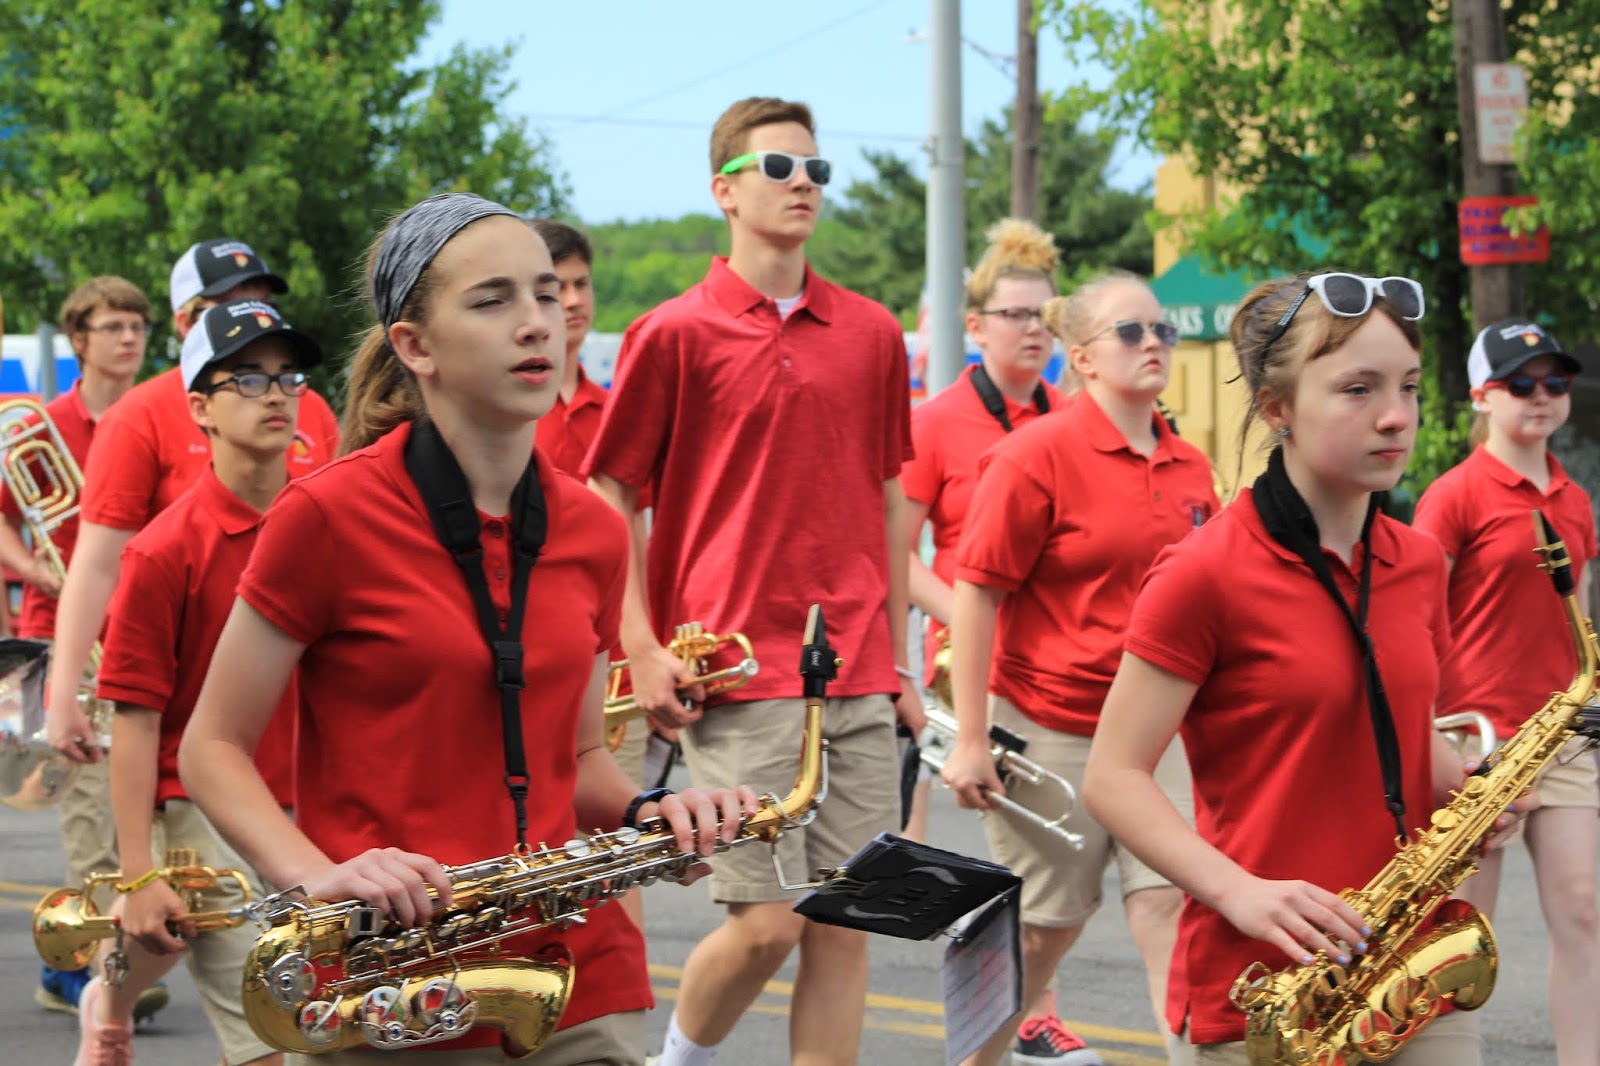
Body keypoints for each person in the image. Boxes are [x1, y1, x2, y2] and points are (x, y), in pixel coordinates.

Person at [178, 193, 756, 1066]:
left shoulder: (594, 531)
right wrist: (314, 875)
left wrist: (656, 812)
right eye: (492, 301)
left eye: (547, 295)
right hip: (393, 982)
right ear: (414, 345)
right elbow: (213, 746)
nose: (538, 323)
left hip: (574, 979)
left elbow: (580, 760)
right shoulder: (325, 518)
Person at [1081, 273, 1535, 1065]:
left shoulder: (1419, 562)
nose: (1397, 416)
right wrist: (1238, 892)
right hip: (1267, 986)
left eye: (1407, 386)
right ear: (1275, 408)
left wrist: (1465, 791)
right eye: (1358, 389)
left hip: (1411, 967)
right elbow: (1112, 776)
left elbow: (1396, 728)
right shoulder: (1202, 573)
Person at [582, 97, 918, 1066]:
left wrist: (897, 663)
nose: (803, 182)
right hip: (733, 676)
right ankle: (678, 1063)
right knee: (767, 922)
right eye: (779, 167)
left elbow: (893, 497)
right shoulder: (671, 332)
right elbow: (614, 492)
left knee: (847, 924)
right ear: (724, 189)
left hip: (852, 672)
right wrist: (639, 645)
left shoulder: (872, 333)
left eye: (816, 169)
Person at [941, 271, 1215, 1066]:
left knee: (1172, 907)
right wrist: (970, 740)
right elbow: (977, 596)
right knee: (1040, 932)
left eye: (1161, 330)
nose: (1154, 343)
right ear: (1084, 357)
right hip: (1048, 728)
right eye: (1132, 332)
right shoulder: (1032, 456)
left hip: (1156, 737)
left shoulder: (1190, 465)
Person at [71, 298, 323, 1066]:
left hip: (316, 806)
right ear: (199, 408)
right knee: (272, 1041)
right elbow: (137, 718)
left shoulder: (330, 522)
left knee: (310, 1026)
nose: (277, 395)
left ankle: (109, 994)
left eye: (289, 377)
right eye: (248, 379)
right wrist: (137, 871)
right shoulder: (161, 552)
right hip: (204, 812)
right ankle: (112, 996)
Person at [44, 238, 340, 767]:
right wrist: (64, 690)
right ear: (184, 324)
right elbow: (97, 562)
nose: (252, 314)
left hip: (299, 708)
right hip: (178, 705)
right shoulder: (140, 414)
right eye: (227, 304)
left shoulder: (307, 406)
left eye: (263, 302)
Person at [1413, 318, 1599, 1066]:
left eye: (1555, 382)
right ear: (1481, 396)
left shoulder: (1575, 498)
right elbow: (1411, 622)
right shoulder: (1453, 496)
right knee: (1462, 933)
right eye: (1521, 383)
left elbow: (1577, 611)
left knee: (1583, 911)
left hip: (1563, 733)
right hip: (1474, 744)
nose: (1542, 397)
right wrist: (1429, 739)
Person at [0, 277, 168, 1022]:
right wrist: (31, 564)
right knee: (85, 806)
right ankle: (99, 965)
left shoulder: (156, 417)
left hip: (134, 629)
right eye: (112, 326)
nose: (128, 338)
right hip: (56, 630)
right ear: (79, 339)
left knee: (129, 806)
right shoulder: (48, 422)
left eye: (137, 325)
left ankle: (92, 963)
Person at [902, 218, 1063, 840]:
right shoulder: (936, 422)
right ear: (975, 326)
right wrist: (972, 619)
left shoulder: (1077, 417)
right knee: (953, 836)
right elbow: (894, 556)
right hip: (961, 664)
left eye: (1045, 315)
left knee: (1044, 845)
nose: (1033, 328)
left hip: (1055, 657)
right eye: (1015, 314)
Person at [528, 217, 654, 927]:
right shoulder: (508, 409)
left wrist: (645, 649)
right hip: (530, 661)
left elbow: (635, 537)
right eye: (553, 287)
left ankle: (618, 1016)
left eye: (580, 285)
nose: (571, 301)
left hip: (610, 671)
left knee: (619, 852)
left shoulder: (613, 410)